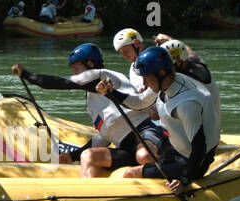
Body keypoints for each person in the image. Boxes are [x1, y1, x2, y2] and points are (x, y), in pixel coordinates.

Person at [11, 43, 163, 177]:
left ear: (90, 63)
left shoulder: (101, 75)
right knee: (88, 156)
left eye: (76, 68)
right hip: (124, 149)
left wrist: (27, 75)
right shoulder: (92, 100)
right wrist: (72, 156)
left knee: (144, 156)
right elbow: (103, 137)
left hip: (144, 133)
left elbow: (61, 83)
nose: (75, 73)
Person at [96, 46, 220, 193]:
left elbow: (199, 149)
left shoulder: (186, 105)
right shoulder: (170, 82)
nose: (144, 83)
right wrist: (110, 92)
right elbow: (139, 102)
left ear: (161, 73)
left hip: (192, 161)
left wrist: (184, 180)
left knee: (130, 173)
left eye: (146, 77)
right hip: (176, 149)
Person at [159, 38, 221, 120]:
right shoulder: (196, 60)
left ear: (178, 61)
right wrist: (169, 39)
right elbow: (187, 49)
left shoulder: (187, 79)